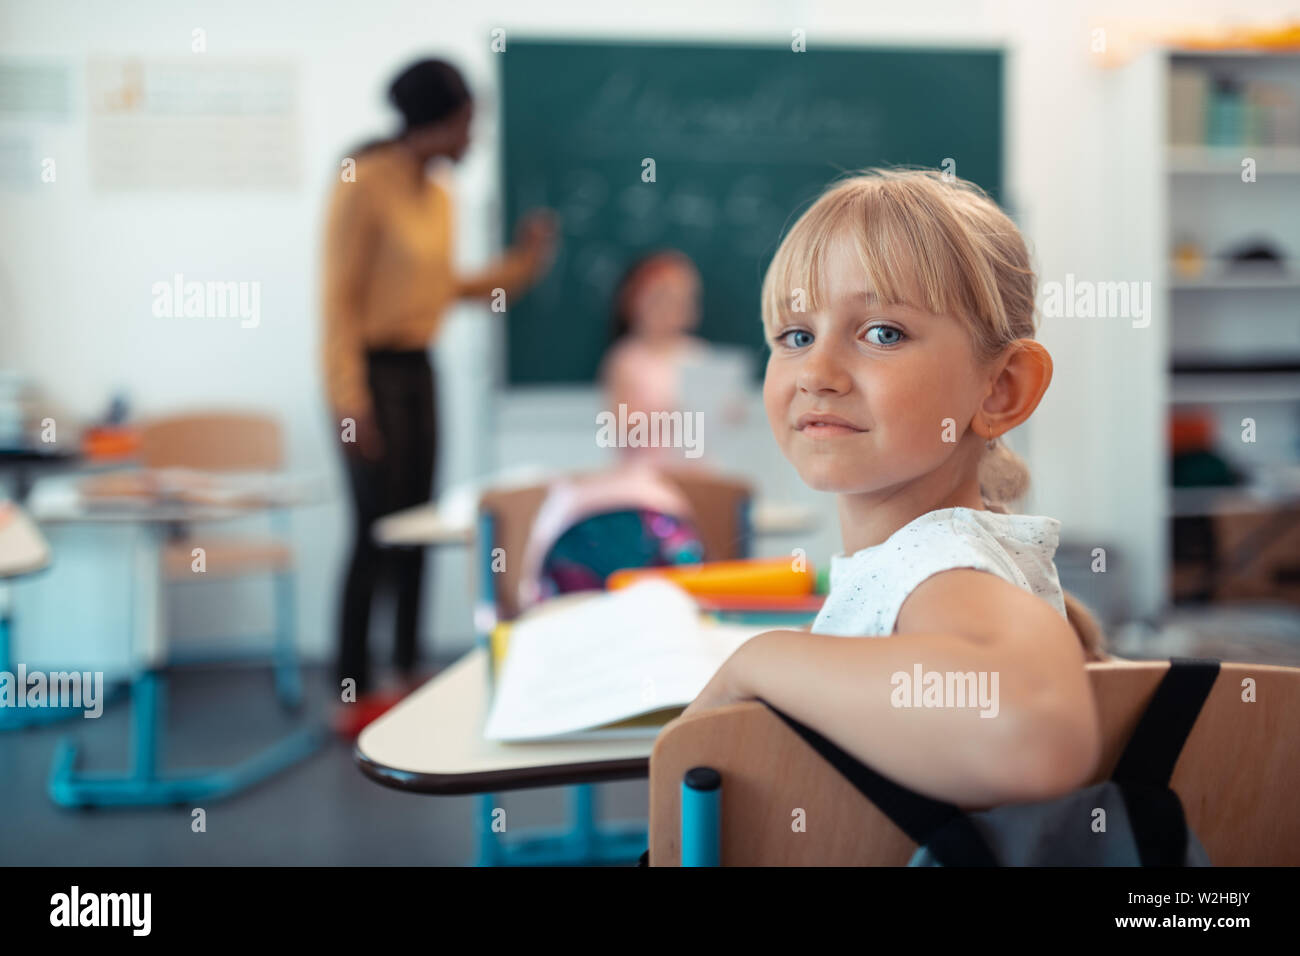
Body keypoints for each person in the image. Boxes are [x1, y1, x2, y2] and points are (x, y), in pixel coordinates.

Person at [682, 168, 1108, 810]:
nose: (817, 373)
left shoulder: (936, 565)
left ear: (1000, 389)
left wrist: (758, 660)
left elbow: (1037, 729)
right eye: (796, 336)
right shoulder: (929, 561)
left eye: (883, 332)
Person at [321, 58, 557, 735]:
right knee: (373, 532)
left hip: (419, 371)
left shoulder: (440, 193)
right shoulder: (361, 183)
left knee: (417, 528)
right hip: (366, 374)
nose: (473, 136)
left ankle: (403, 671)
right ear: (437, 121)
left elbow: (447, 290)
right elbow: (335, 303)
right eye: (466, 122)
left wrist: (525, 263)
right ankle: (352, 687)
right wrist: (348, 401)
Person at [598, 251, 711, 465]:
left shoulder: (698, 354)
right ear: (635, 302)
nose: (671, 308)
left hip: (695, 469)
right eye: (661, 298)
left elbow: (715, 420)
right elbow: (619, 426)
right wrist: (673, 411)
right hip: (644, 473)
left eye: (681, 299)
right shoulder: (626, 359)